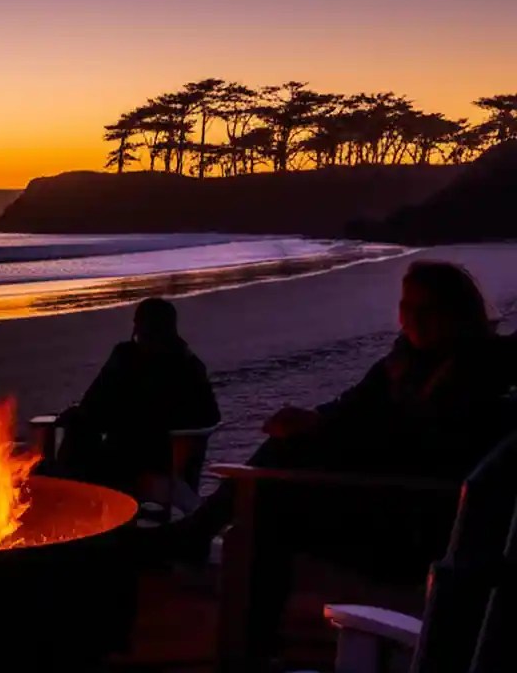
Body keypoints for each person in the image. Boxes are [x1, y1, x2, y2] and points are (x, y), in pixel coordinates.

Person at [174, 260, 516, 658]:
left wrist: (326, 432)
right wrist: (314, 420)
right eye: (407, 307)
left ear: (456, 314)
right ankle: (238, 615)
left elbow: (422, 445)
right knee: (281, 467)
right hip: (380, 497)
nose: (413, 319)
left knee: (271, 505)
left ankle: (235, 617)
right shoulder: (401, 363)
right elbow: (350, 407)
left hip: (416, 518)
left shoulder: (478, 374)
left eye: (427, 309)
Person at [57, 298, 220, 491]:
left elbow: (93, 406)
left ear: (139, 327)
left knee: (76, 426)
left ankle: (68, 490)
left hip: (132, 461)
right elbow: (211, 416)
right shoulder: (191, 364)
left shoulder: (127, 358)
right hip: (173, 465)